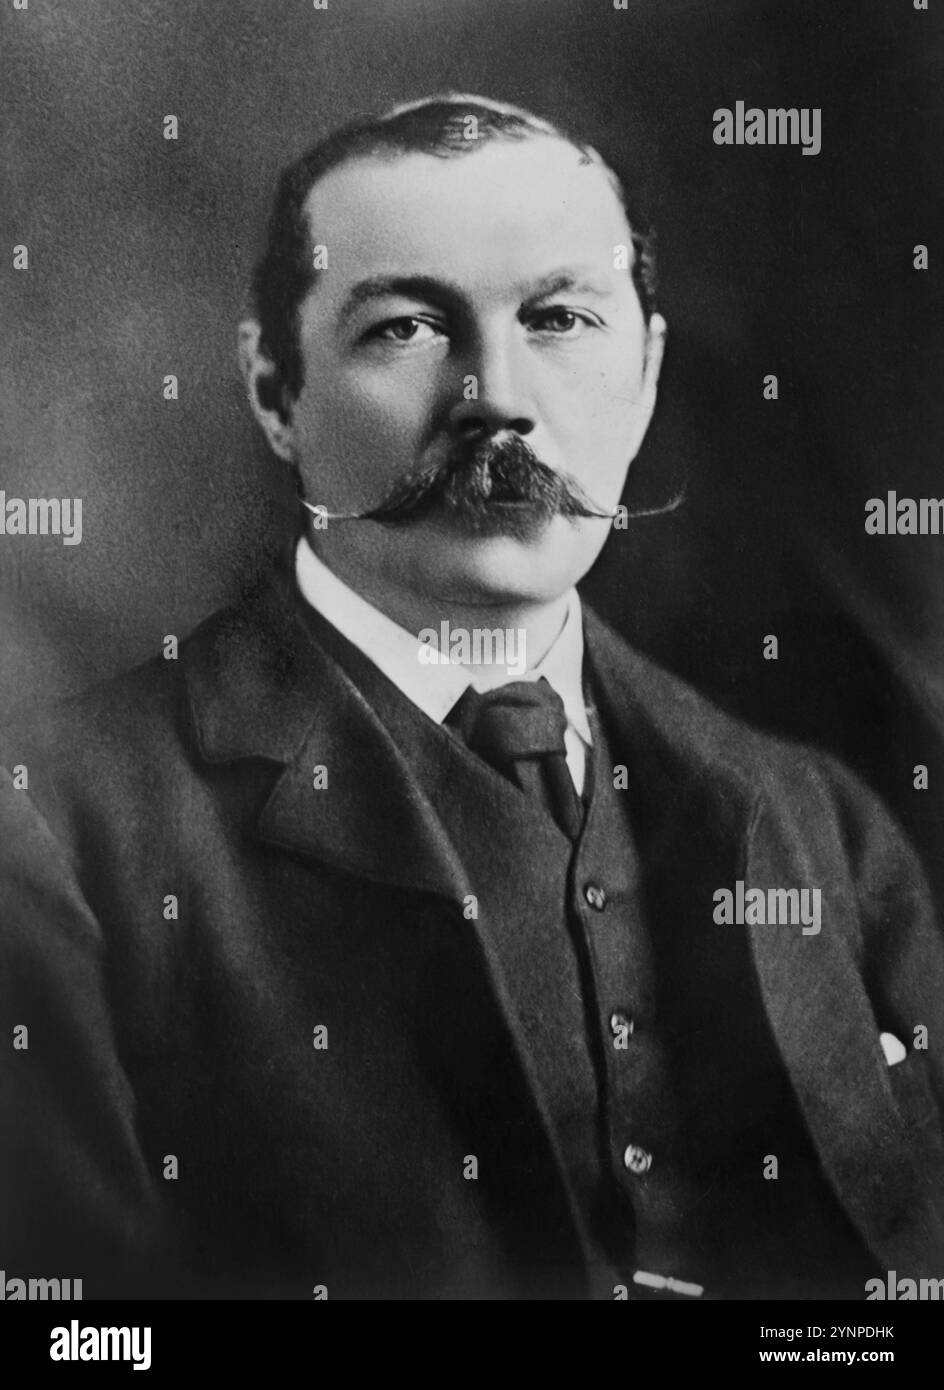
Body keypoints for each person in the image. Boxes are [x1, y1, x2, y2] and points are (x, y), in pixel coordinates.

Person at [2, 94, 942, 1302]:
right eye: (404, 328)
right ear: (271, 392)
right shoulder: (58, 829)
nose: (495, 395)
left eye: (557, 318)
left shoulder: (824, 826)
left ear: (646, 372)